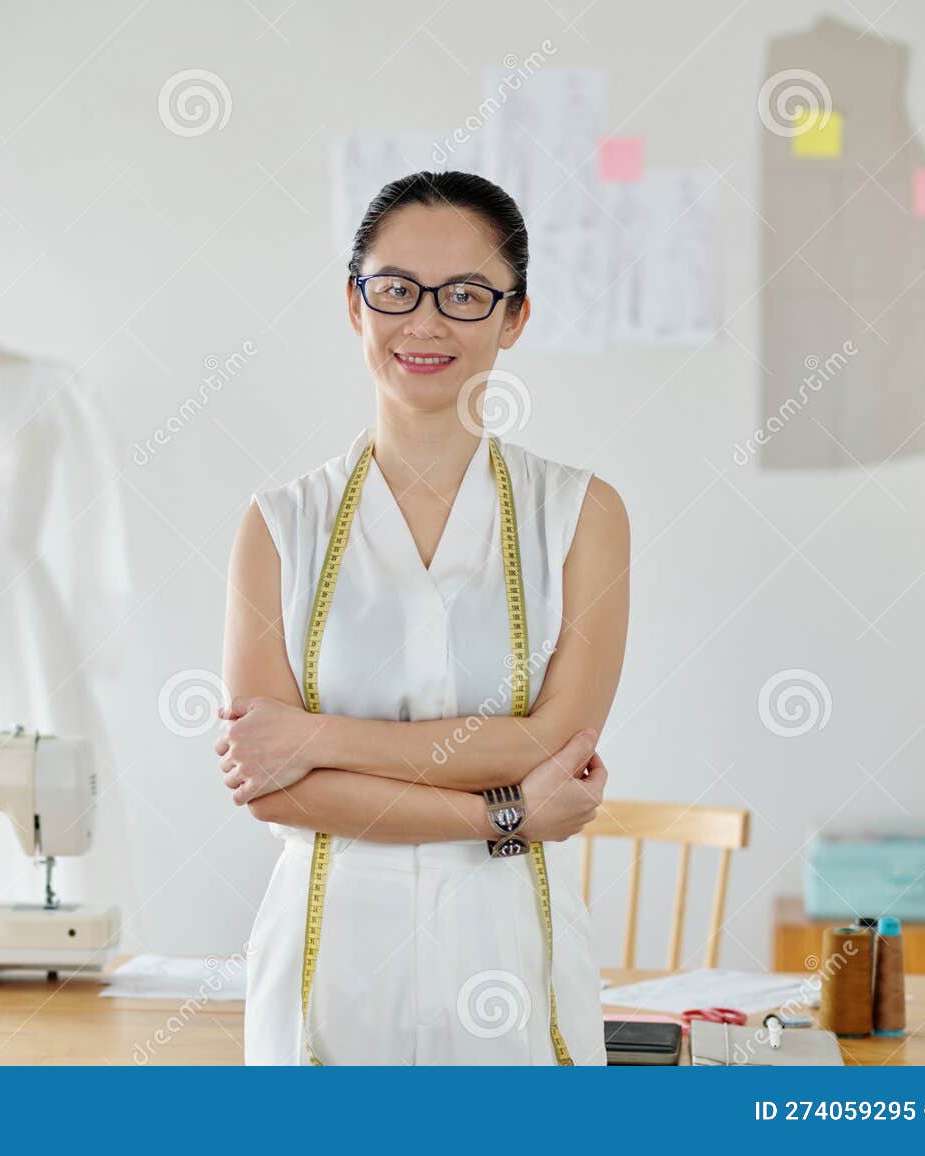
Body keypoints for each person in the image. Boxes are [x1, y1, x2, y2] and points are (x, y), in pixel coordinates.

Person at [217, 170, 630, 1064]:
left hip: (509, 943)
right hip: (333, 954)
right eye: (397, 289)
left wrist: (315, 734)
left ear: (515, 317)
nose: (427, 322)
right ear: (355, 304)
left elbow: (553, 738)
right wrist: (507, 816)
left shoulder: (581, 513)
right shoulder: (280, 524)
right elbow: (274, 786)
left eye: (468, 295)